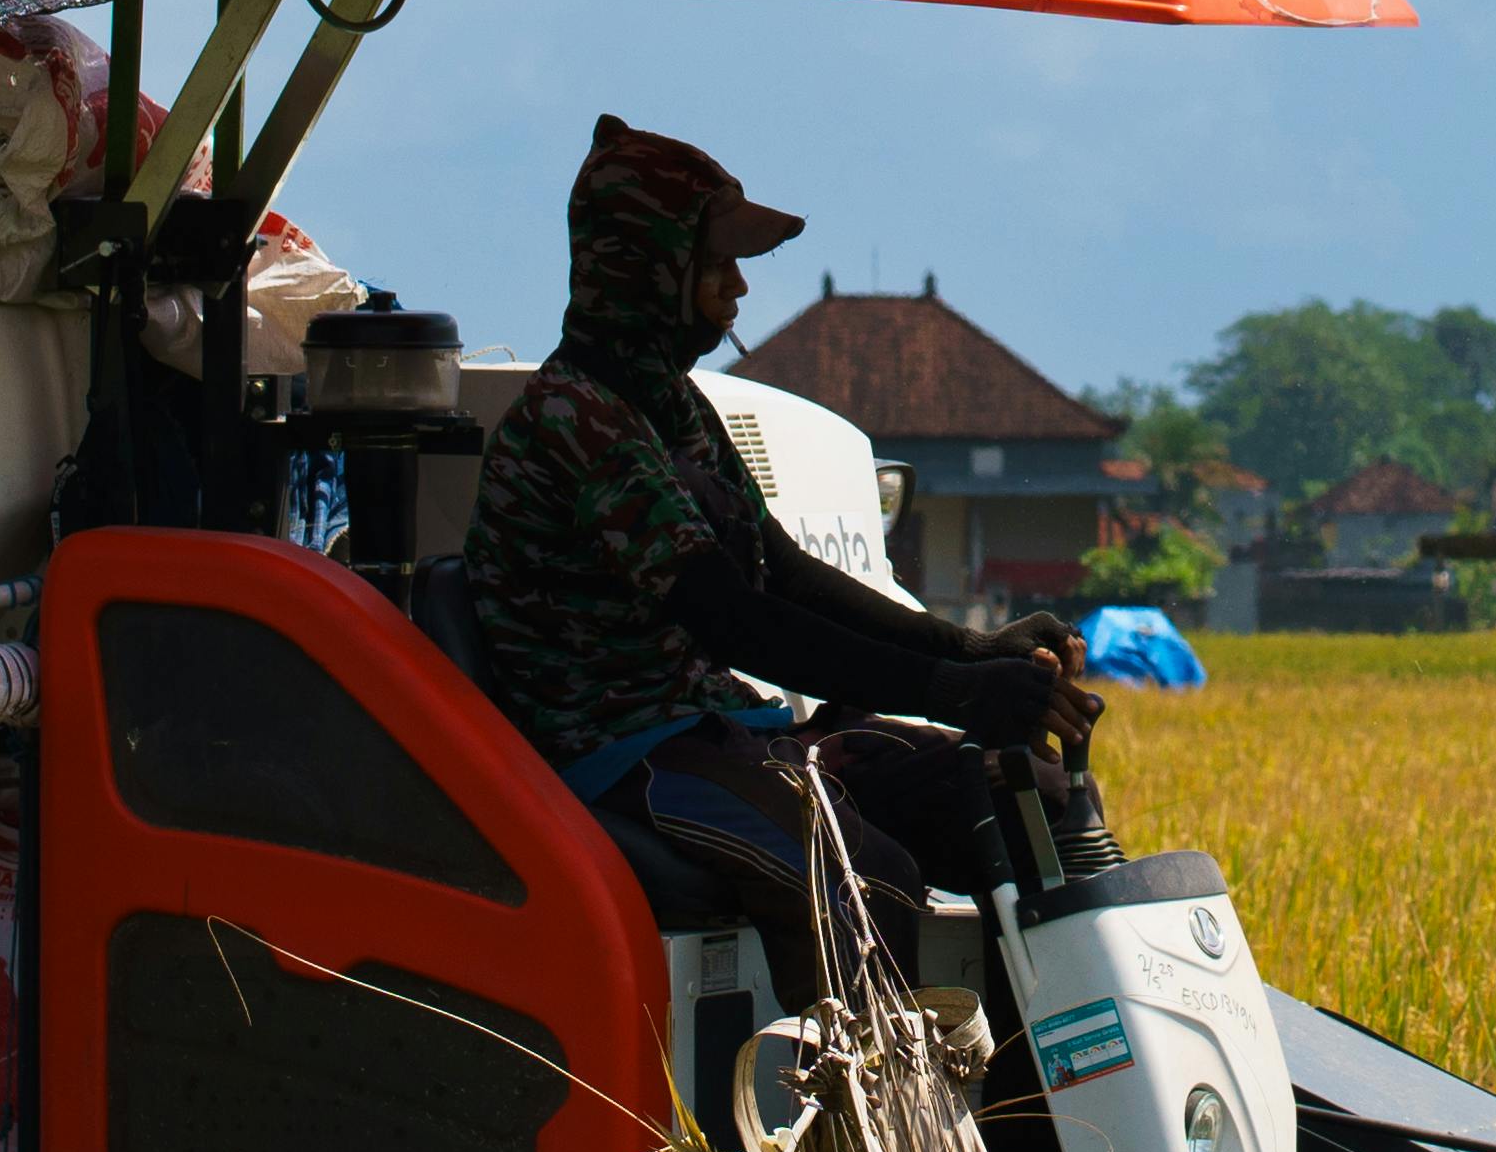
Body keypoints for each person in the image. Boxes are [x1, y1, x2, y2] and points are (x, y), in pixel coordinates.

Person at [462, 118, 1085, 963]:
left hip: (722, 731)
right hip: (627, 756)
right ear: (644, 270)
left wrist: (974, 652)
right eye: (716, 263)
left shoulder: (675, 405)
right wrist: (950, 689)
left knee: (1025, 801)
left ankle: (1037, 1090)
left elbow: (783, 574)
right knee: (868, 886)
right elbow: (734, 619)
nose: (739, 289)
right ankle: (863, 1097)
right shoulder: (577, 420)